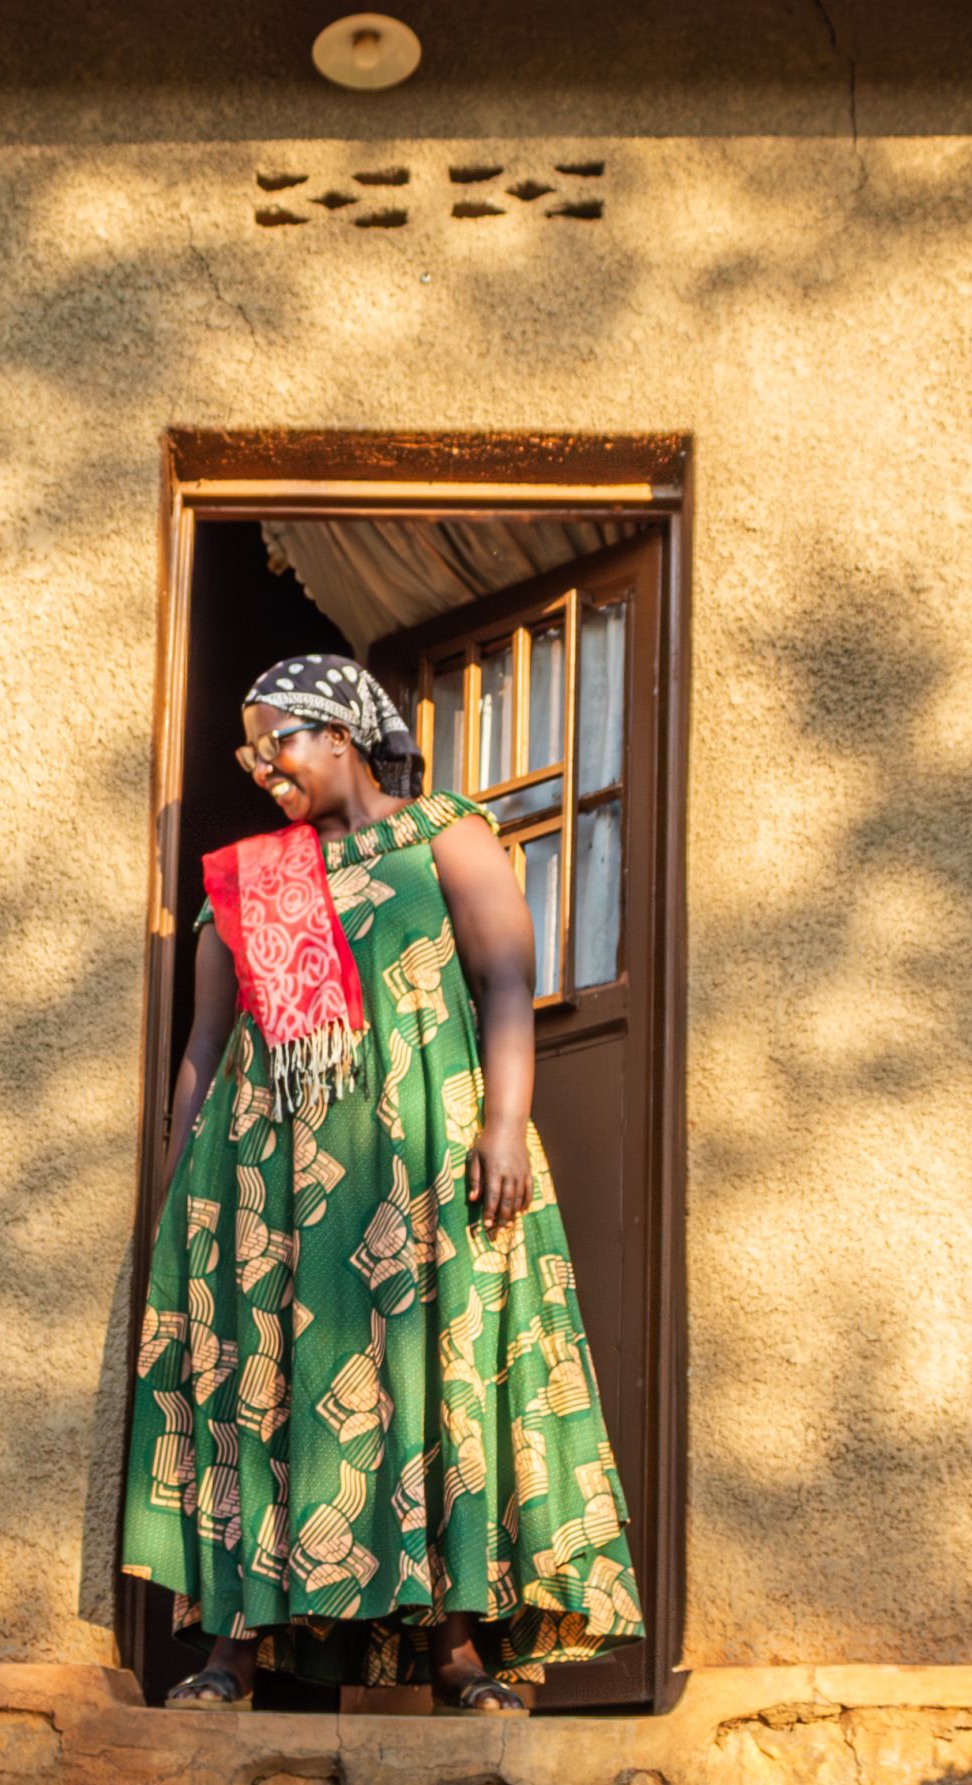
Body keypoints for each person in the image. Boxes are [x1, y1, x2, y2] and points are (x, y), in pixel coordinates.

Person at [122, 653, 644, 1714]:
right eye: (249, 750)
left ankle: (456, 1650)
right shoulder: (251, 877)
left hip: (423, 1157)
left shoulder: (443, 835)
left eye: (276, 742)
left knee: (439, 1374)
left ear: (338, 733)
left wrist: (503, 1124)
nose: (262, 767)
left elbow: (506, 982)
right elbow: (204, 1047)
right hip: (268, 1177)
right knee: (259, 1380)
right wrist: (183, 1189)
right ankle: (230, 1649)